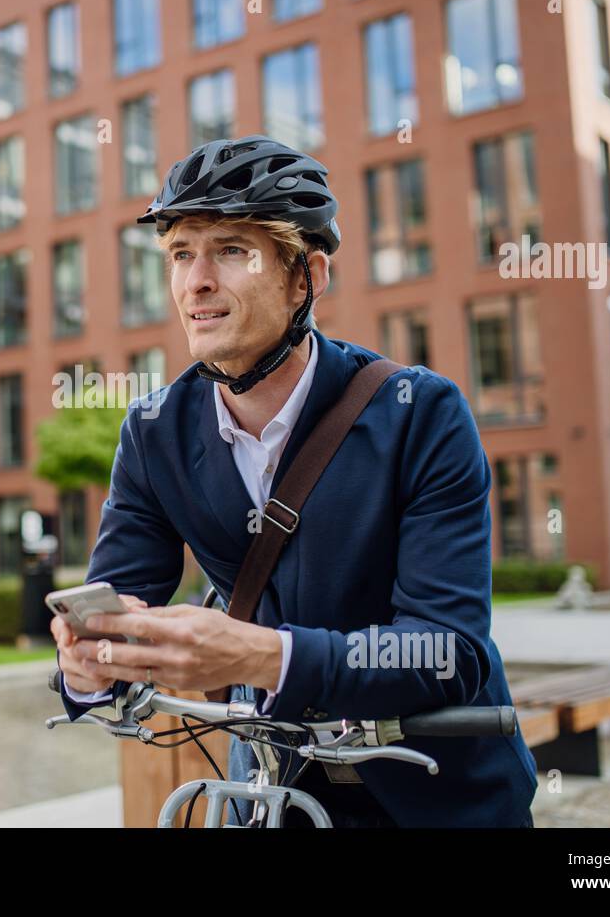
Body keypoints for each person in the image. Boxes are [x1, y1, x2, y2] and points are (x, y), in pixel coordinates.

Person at [50, 134, 537, 827]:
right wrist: (88, 667)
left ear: (306, 276)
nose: (196, 282)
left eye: (231, 250)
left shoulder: (420, 413)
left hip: (437, 796)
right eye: (182, 254)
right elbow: (119, 607)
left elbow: (445, 651)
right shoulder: (154, 432)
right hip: (276, 798)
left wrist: (259, 655)